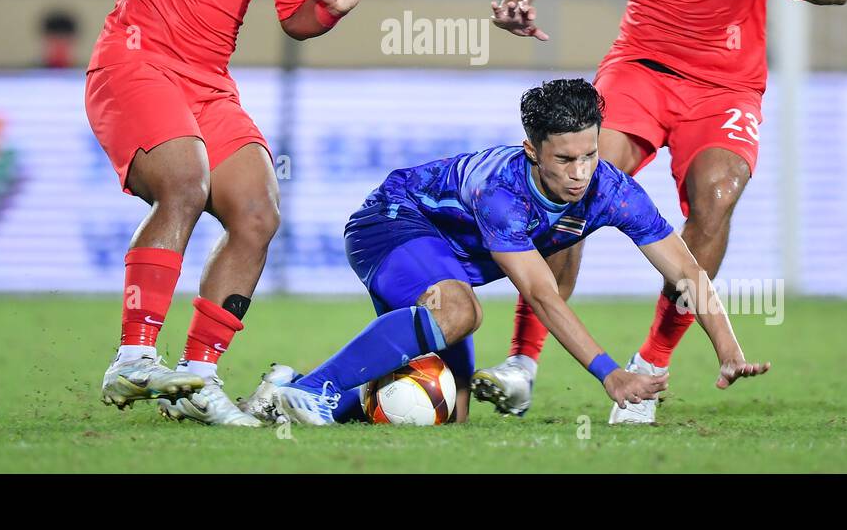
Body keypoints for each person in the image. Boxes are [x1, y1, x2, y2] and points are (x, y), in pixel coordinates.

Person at [480, 0, 847, 424]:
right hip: (640, 71)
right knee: (580, 179)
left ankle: (651, 364)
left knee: (715, 199)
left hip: (728, 86)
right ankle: (523, 363)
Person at [35, 0, 381, 426]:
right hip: (132, 62)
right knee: (186, 181)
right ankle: (134, 357)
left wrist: (331, 9)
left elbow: (295, 19)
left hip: (206, 84)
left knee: (257, 214)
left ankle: (195, 379)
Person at [256, 79, 768, 427]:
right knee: (461, 312)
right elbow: (543, 296)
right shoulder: (501, 191)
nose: (580, 172)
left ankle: (284, 394)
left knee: (445, 412)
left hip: (443, 260)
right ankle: (316, 390)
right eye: (564, 159)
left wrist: (727, 348)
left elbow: (686, 271)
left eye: (589, 155)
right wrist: (610, 373)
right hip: (392, 222)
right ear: (532, 150)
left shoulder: (613, 190)